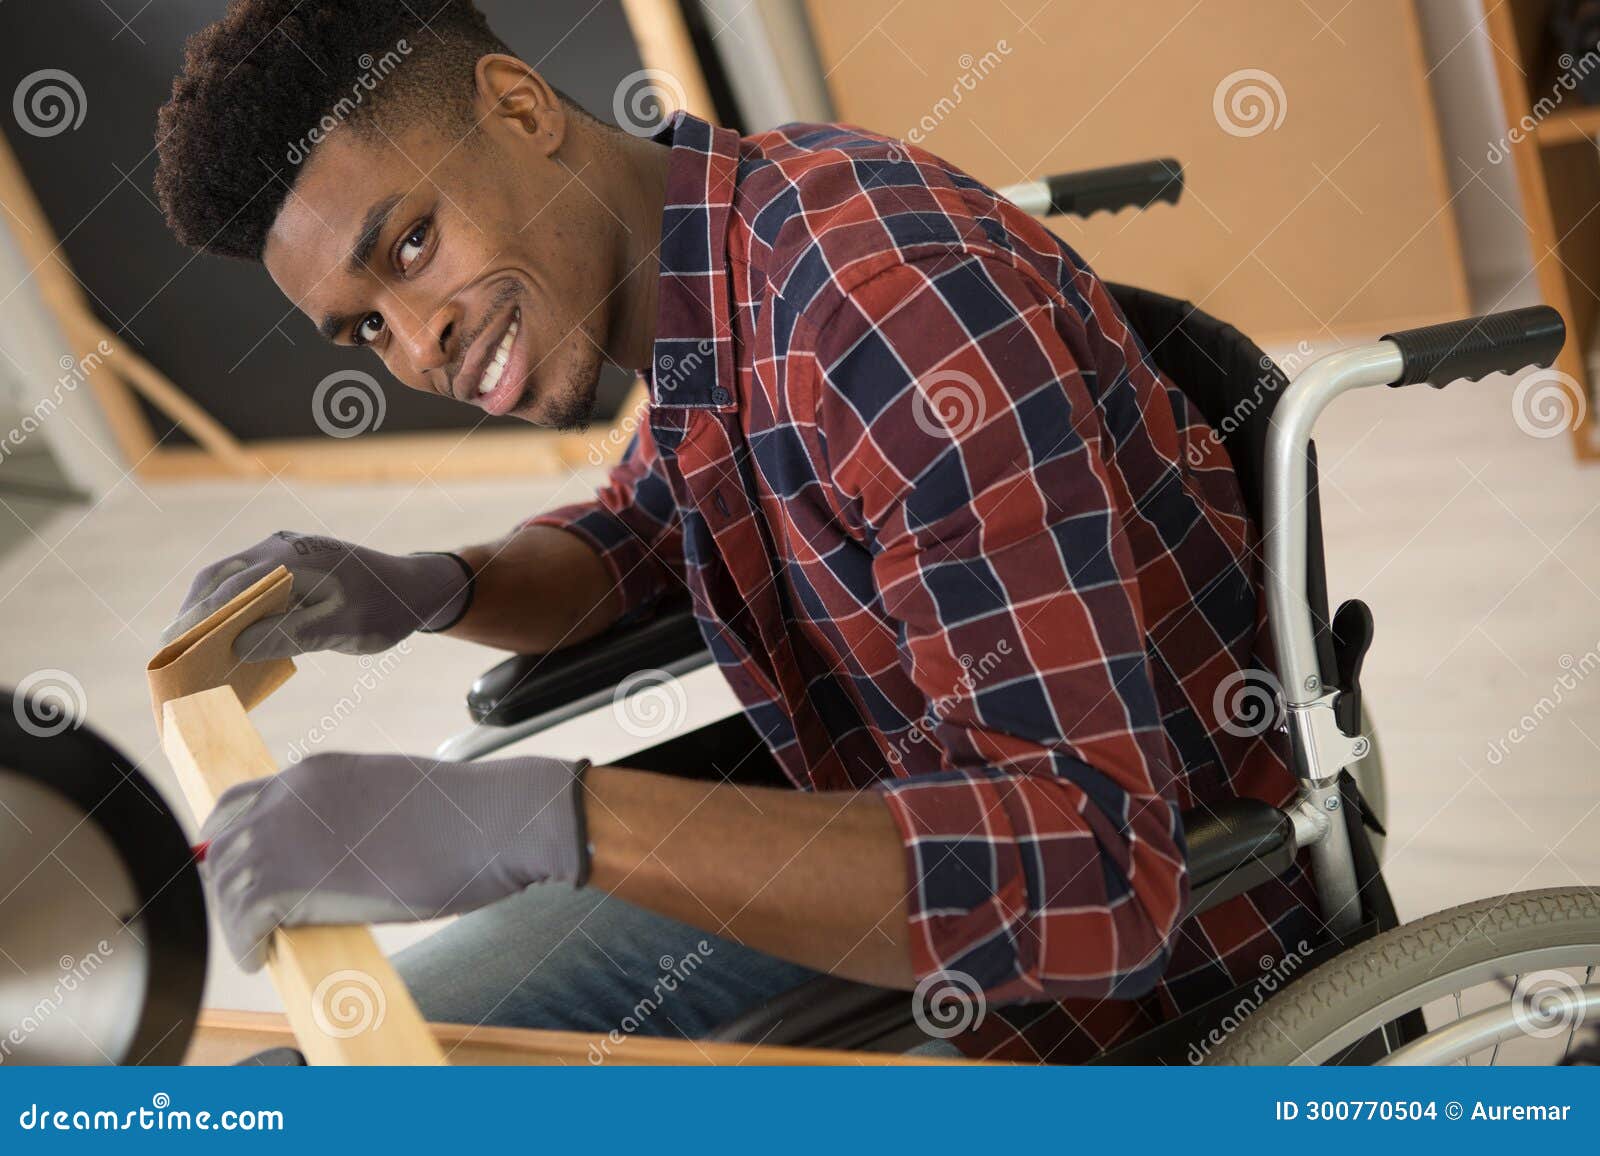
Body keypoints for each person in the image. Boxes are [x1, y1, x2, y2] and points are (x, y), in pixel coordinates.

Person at [154, 0, 1319, 1062]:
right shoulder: (721, 258)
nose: (417, 345)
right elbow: (640, 537)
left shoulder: (880, 315)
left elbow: (1097, 875)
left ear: (519, 109)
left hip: (1096, 965)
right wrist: (428, 588)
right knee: (319, 1072)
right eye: (364, 332)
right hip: (875, 818)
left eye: (410, 246)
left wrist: (535, 817)